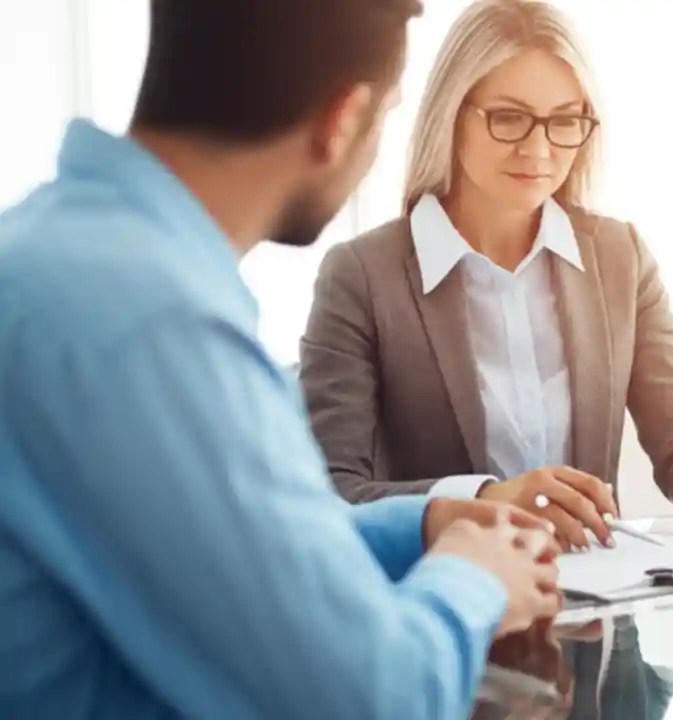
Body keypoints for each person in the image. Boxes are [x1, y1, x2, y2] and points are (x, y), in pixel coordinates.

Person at [0, 1, 564, 717]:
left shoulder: (60, 255)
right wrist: (474, 577)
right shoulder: (148, 327)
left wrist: (421, 527)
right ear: (342, 120)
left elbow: (221, 552)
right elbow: (370, 699)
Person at [300, 0, 673, 550]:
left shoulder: (620, 256)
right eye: (509, 118)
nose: (539, 150)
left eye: (565, 121)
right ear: (451, 112)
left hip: (600, 601)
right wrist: (485, 501)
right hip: (449, 598)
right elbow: (332, 493)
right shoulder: (362, 276)